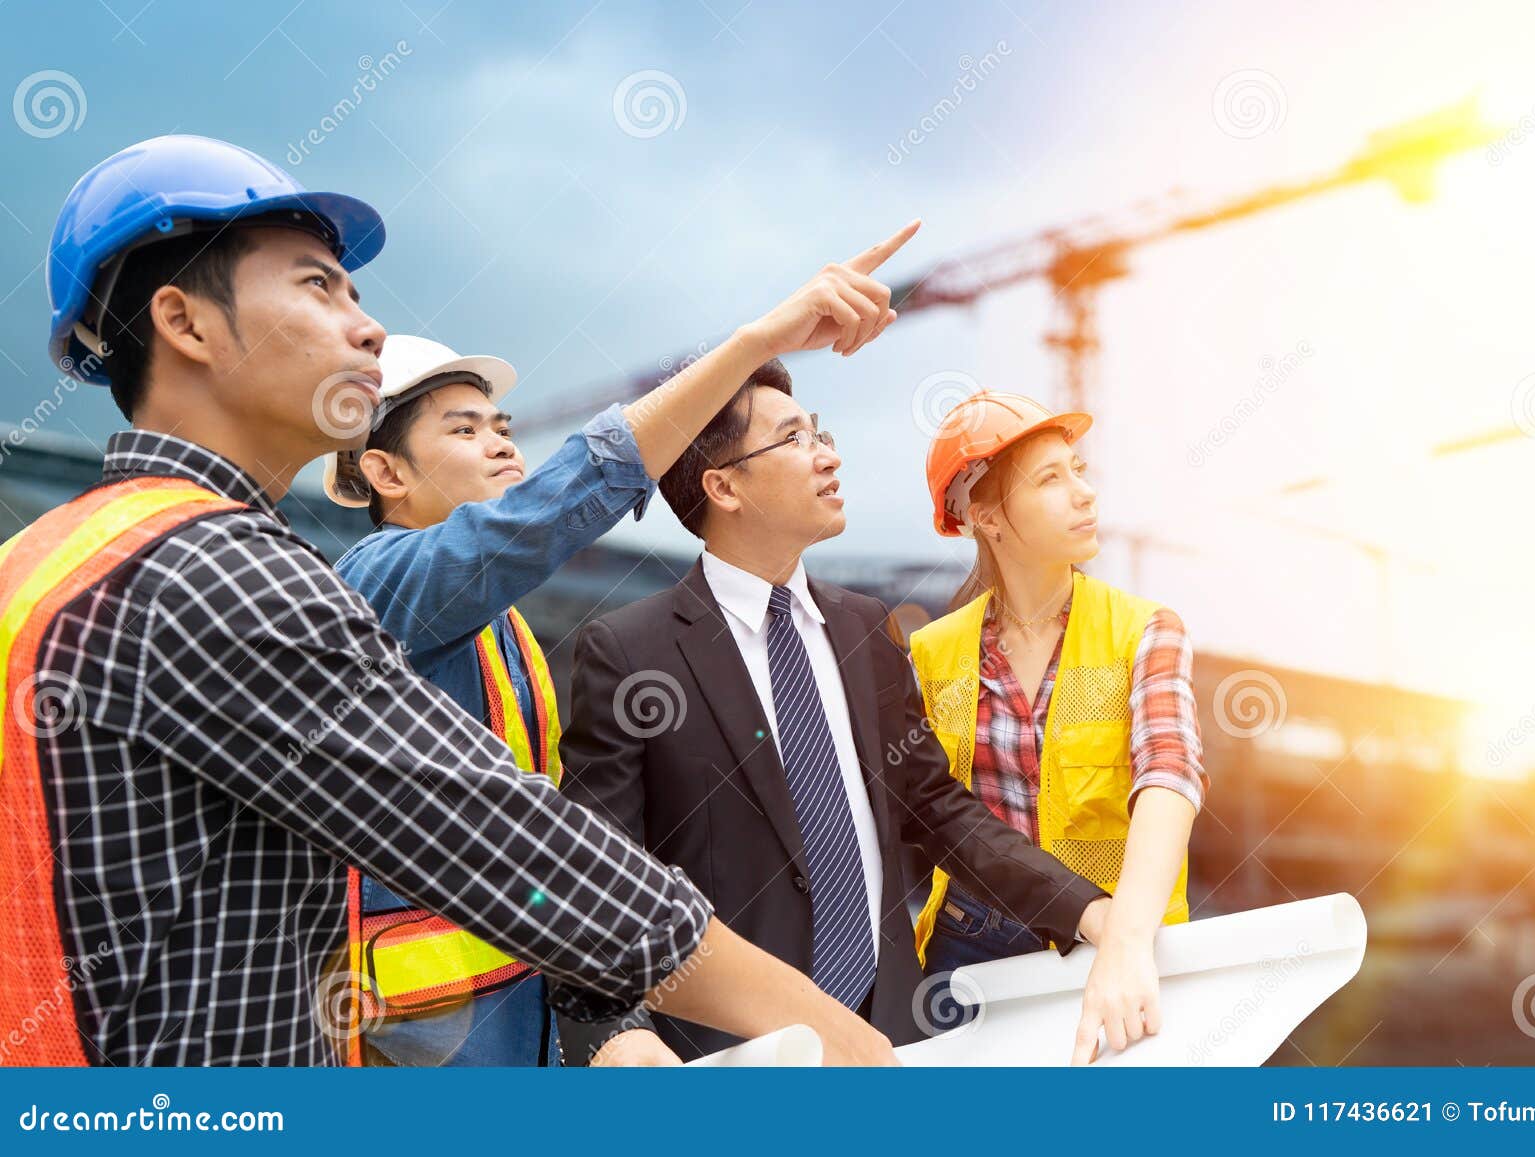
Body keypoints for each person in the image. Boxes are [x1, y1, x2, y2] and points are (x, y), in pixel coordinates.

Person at [0, 133, 902, 1066]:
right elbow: (516, 843)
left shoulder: (57, 559)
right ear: (186, 324)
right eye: (317, 285)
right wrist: (849, 1045)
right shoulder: (222, 575)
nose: (367, 325)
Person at [328, 219, 918, 1069]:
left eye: (499, 423)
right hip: (425, 1036)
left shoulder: (499, 626)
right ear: (385, 474)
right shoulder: (381, 587)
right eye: (462, 430)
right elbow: (543, 515)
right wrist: (756, 339)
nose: (500, 440)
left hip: (512, 1012)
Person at [553, 360, 1114, 1063]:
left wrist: (1085, 908)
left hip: (891, 1036)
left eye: (818, 430)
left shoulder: (863, 628)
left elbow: (935, 807)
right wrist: (614, 1029)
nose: (828, 453)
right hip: (730, 1056)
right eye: (793, 439)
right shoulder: (632, 653)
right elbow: (589, 868)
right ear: (722, 486)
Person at [912, 390, 1210, 1065]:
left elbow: (1170, 770)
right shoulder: (932, 653)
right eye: (1052, 478)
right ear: (985, 515)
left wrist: (1126, 940)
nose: (1084, 493)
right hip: (969, 946)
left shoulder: (1144, 629)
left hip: (1118, 932)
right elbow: (924, 809)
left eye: (1079, 470)